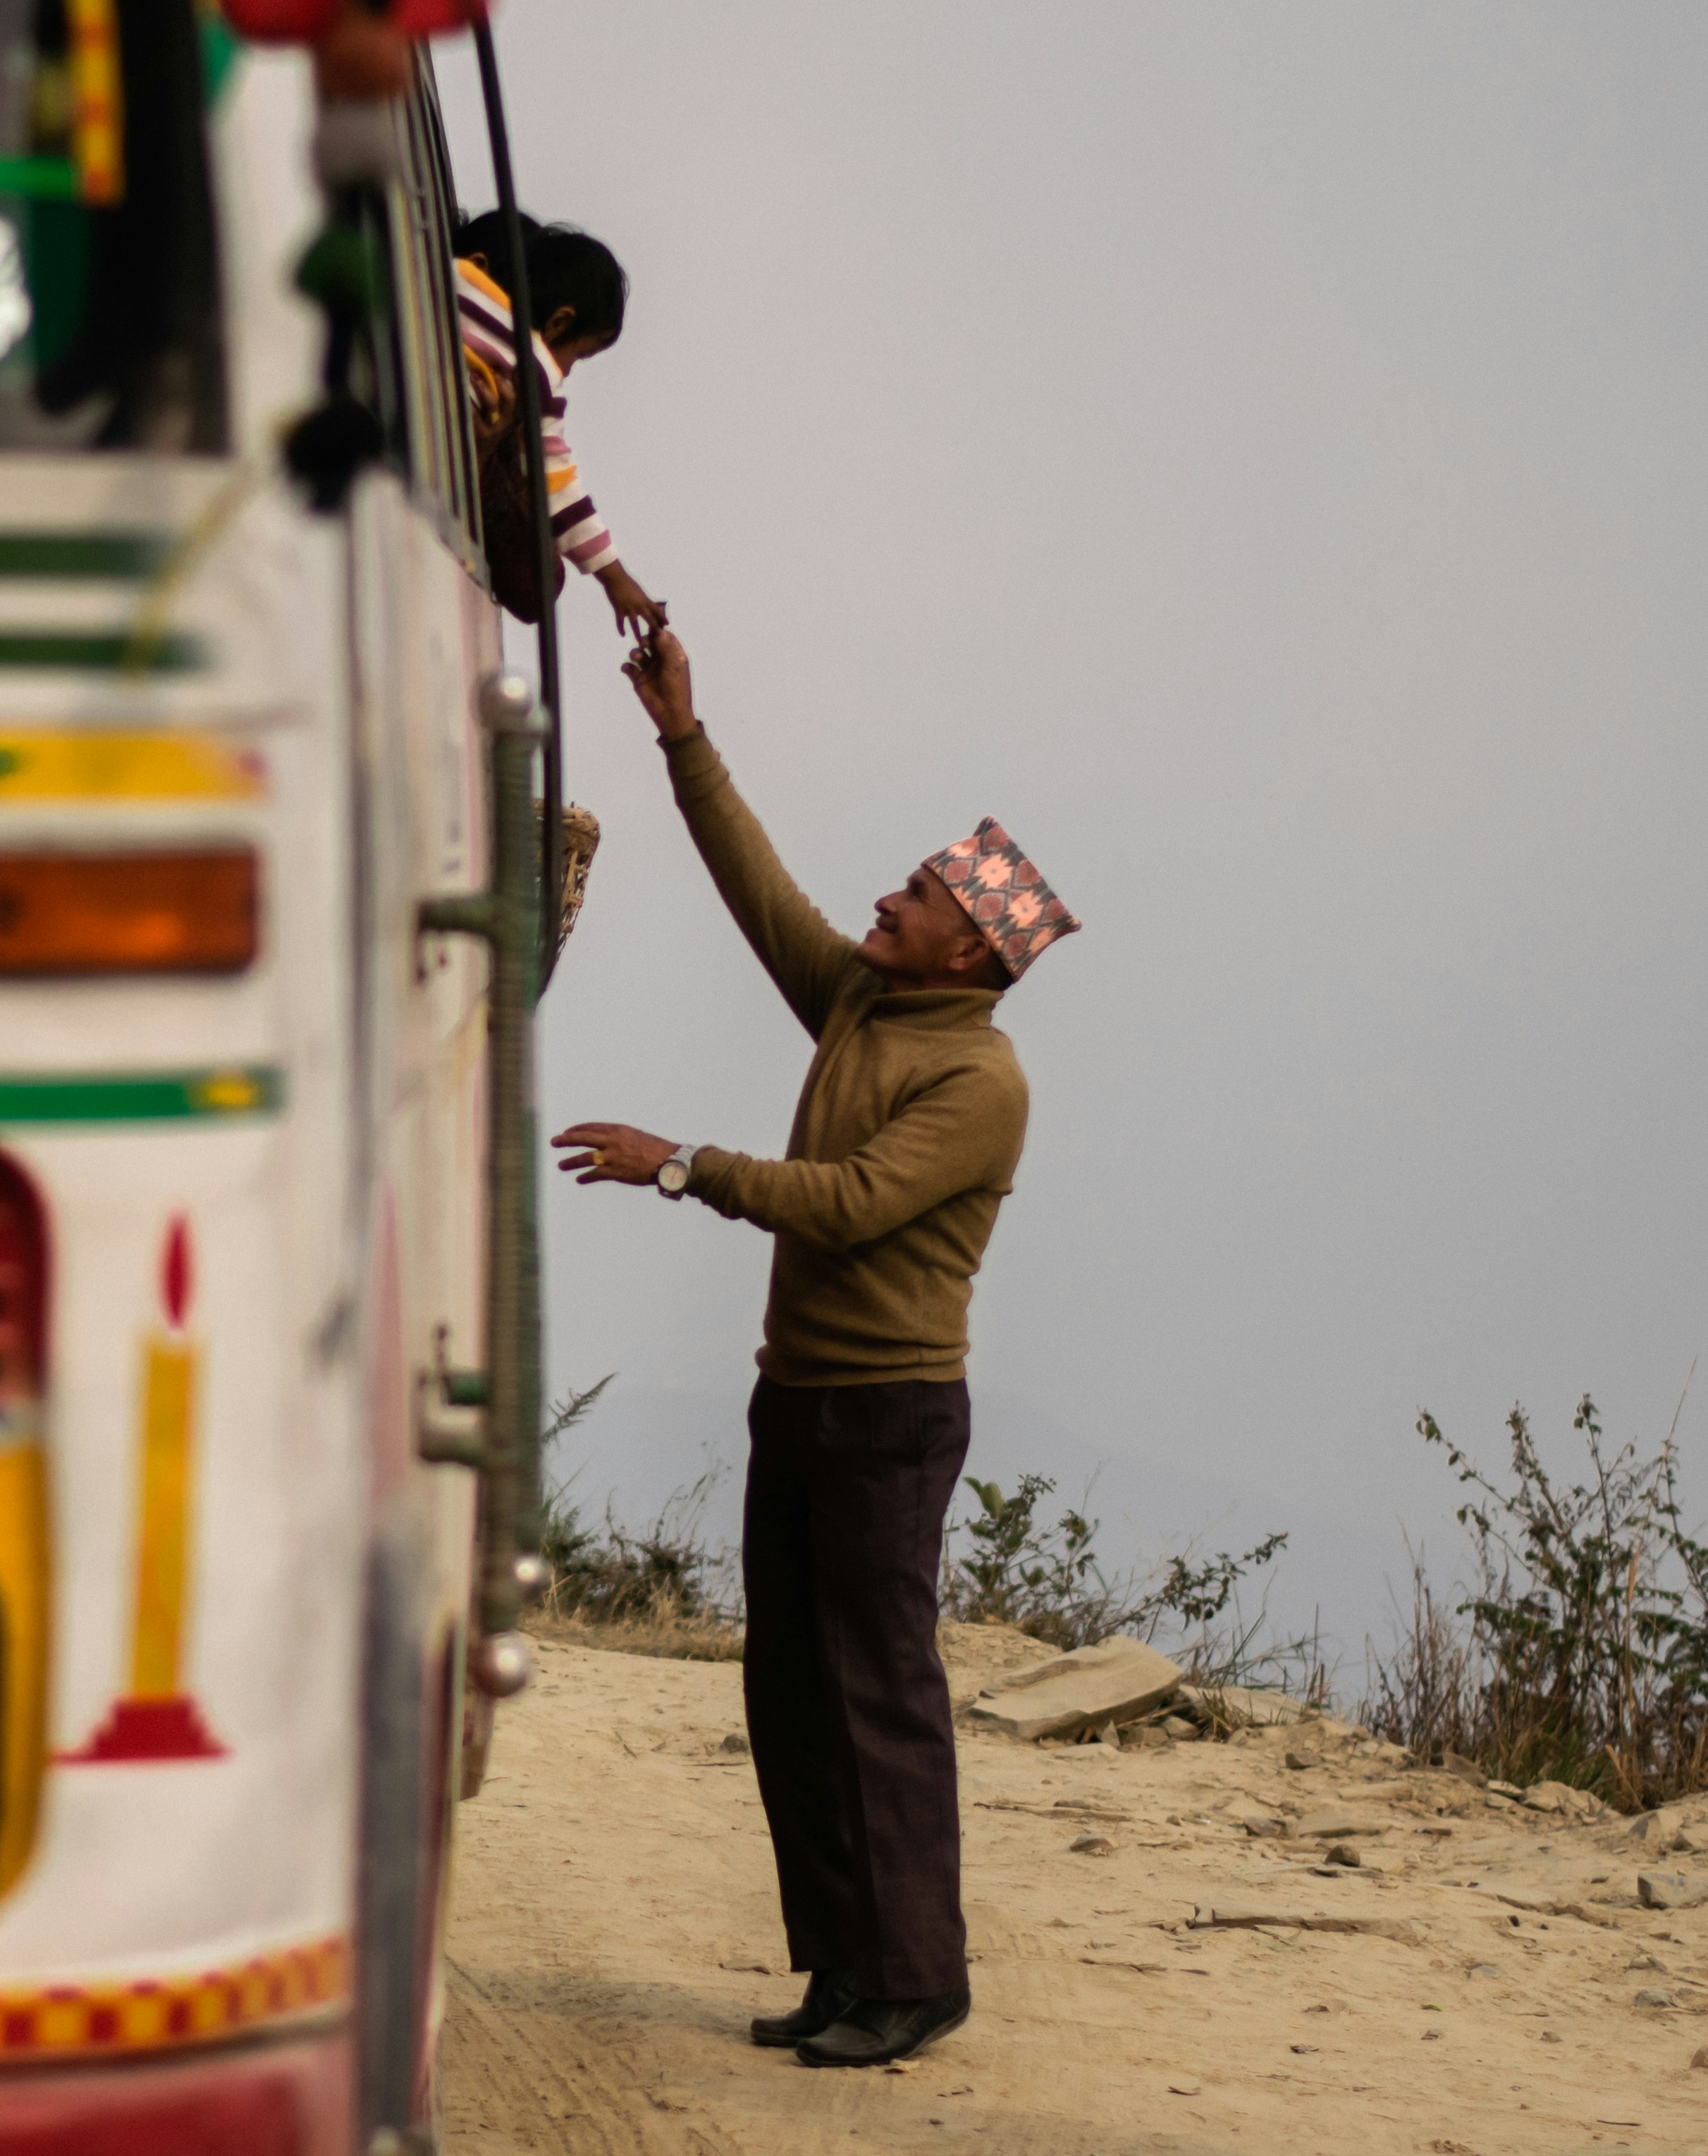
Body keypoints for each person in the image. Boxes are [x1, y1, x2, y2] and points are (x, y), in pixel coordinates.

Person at [550, 628, 1080, 2070]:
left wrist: (679, 1164)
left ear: (970, 943)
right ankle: (845, 1964)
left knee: (878, 1698)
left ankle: (918, 1976)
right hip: (798, 1400)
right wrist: (680, 738)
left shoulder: (978, 1078)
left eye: (911, 894)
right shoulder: (862, 995)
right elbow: (754, 887)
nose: (879, 900)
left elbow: (845, 1207)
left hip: (888, 1416)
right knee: (792, 1692)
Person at [453, 211, 665, 641]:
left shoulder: (450, 276)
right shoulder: (537, 380)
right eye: (579, 357)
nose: (567, 371)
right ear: (559, 322)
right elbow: (559, 485)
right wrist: (615, 579)